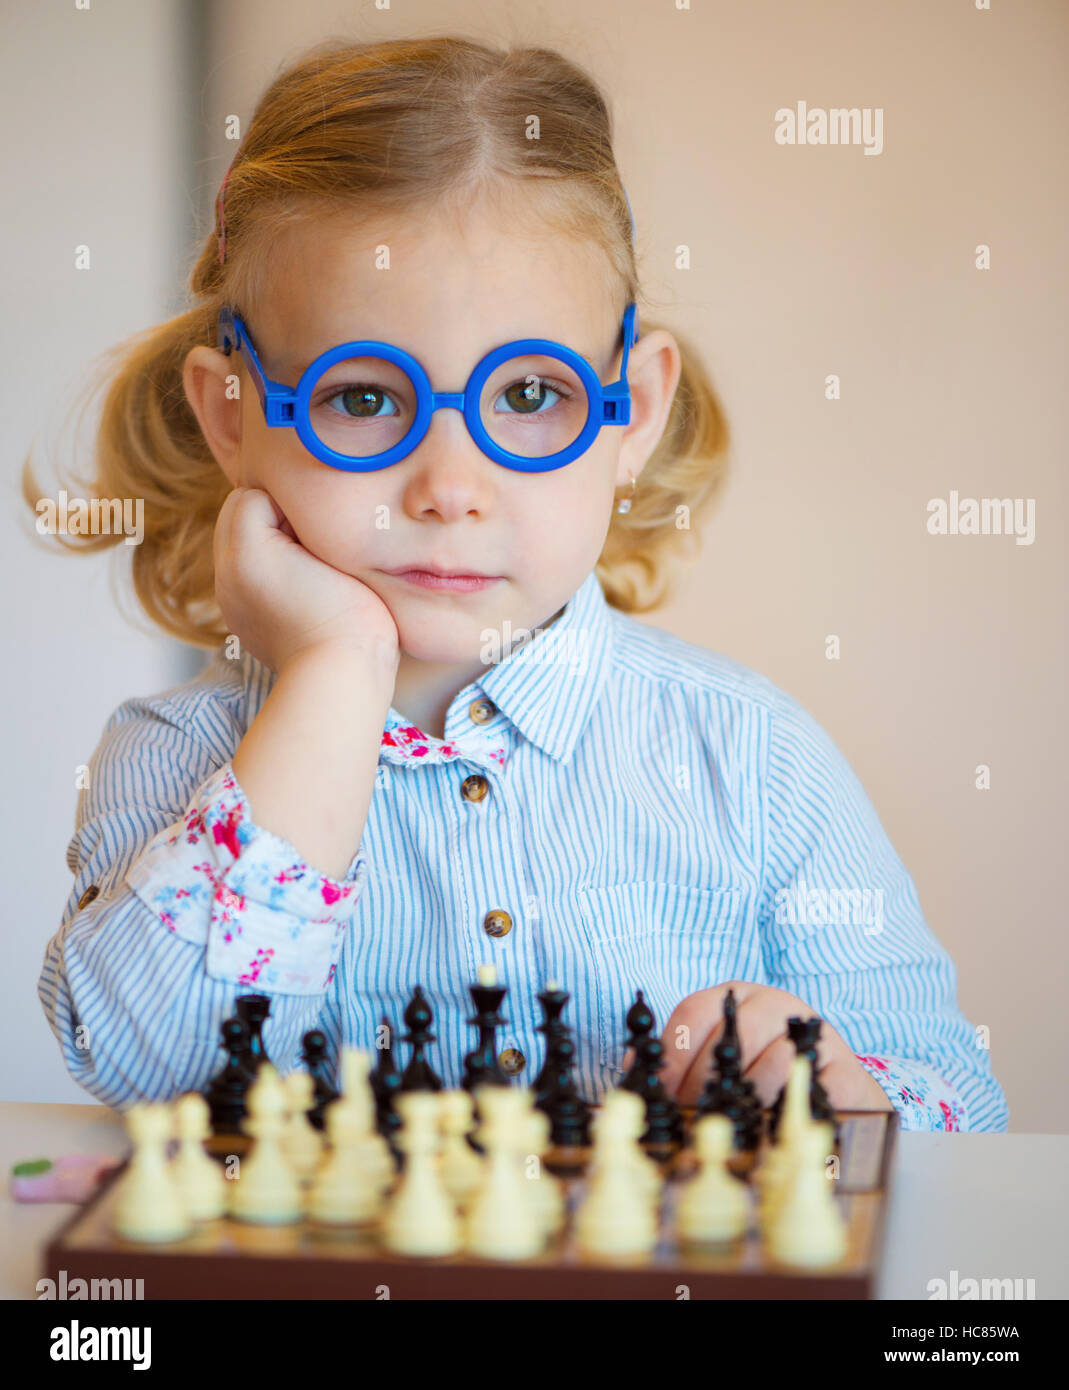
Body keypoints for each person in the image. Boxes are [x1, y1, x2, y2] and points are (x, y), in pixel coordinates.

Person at [30, 35, 1006, 1131]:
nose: (452, 485)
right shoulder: (172, 757)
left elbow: (956, 1106)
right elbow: (149, 1063)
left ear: (627, 411)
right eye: (363, 398)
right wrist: (333, 678)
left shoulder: (750, 761)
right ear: (234, 414)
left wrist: (833, 1090)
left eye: (529, 393)